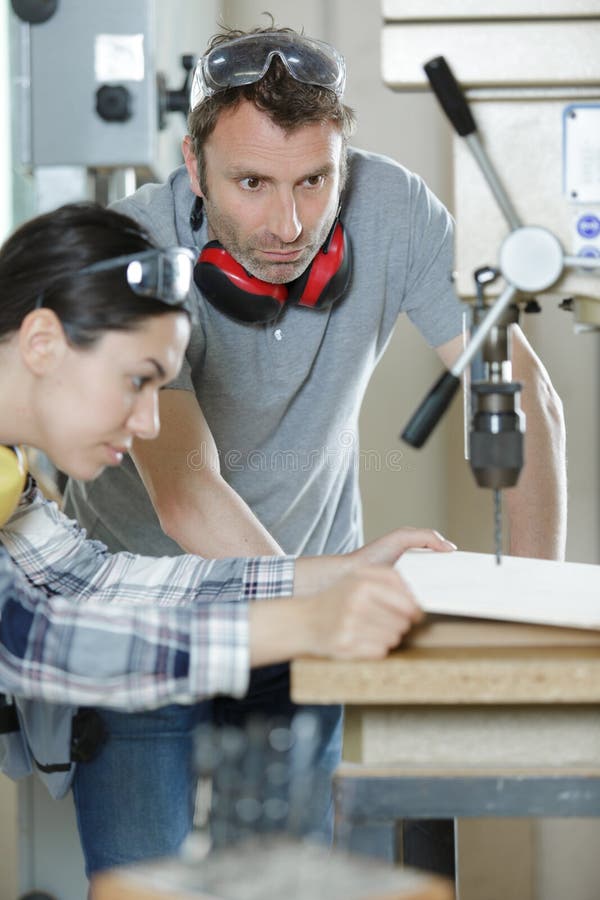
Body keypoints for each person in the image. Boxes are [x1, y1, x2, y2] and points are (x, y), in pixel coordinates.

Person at [61, 24, 567, 876]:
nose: (288, 223)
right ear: (195, 166)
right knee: (142, 886)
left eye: (315, 181)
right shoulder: (135, 245)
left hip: (299, 606)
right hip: (143, 617)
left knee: (294, 885)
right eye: (251, 183)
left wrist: (529, 631)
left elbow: (527, 399)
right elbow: (186, 491)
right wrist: (321, 608)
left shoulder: (395, 210)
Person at [0, 201, 454, 877]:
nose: (151, 422)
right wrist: (301, 624)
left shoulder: (10, 468)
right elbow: (42, 641)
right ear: (42, 342)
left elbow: (90, 580)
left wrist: (333, 573)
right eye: (136, 381)